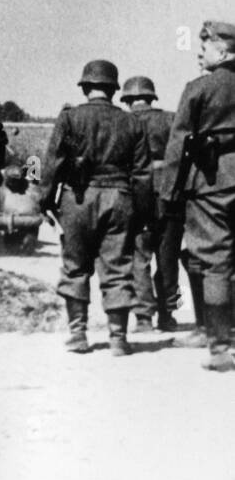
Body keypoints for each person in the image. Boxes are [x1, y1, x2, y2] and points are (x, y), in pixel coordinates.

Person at [41, 60, 150, 355]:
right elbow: (142, 174)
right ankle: (118, 338)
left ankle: (78, 333)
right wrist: (141, 212)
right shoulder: (133, 122)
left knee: (75, 266)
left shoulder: (69, 118)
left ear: (86, 87)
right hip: (120, 198)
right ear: (114, 90)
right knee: (117, 268)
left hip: (78, 199)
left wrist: (46, 201)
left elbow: (52, 164)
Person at [160, 20, 235, 371]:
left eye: (204, 48)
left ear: (222, 52)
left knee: (216, 261)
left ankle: (220, 348)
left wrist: (168, 192)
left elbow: (178, 145)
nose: (199, 54)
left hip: (211, 181)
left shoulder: (199, 88)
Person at [120, 76, 183, 333]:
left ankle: (144, 317)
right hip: (171, 195)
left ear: (126, 99)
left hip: (137, 195)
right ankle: (168, 316)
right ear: (151, 96)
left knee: (139, 257)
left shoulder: (124, 122)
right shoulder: (172, 119)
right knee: (168, 258)